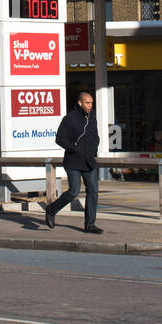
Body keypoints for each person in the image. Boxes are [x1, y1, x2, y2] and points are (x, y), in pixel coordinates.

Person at [45, 90, 102, 234]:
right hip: (73, 161)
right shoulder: (70, 118)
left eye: (91, 103)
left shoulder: (92, 117)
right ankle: (51, 210)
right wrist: (75, 148)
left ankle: (90, 224)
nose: (90, 106)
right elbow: (60, 139)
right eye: (87, 103)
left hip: (89, 161)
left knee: (93, 191)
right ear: (80, 103)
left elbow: (94, 135)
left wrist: (94, 148)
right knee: (74, 191)